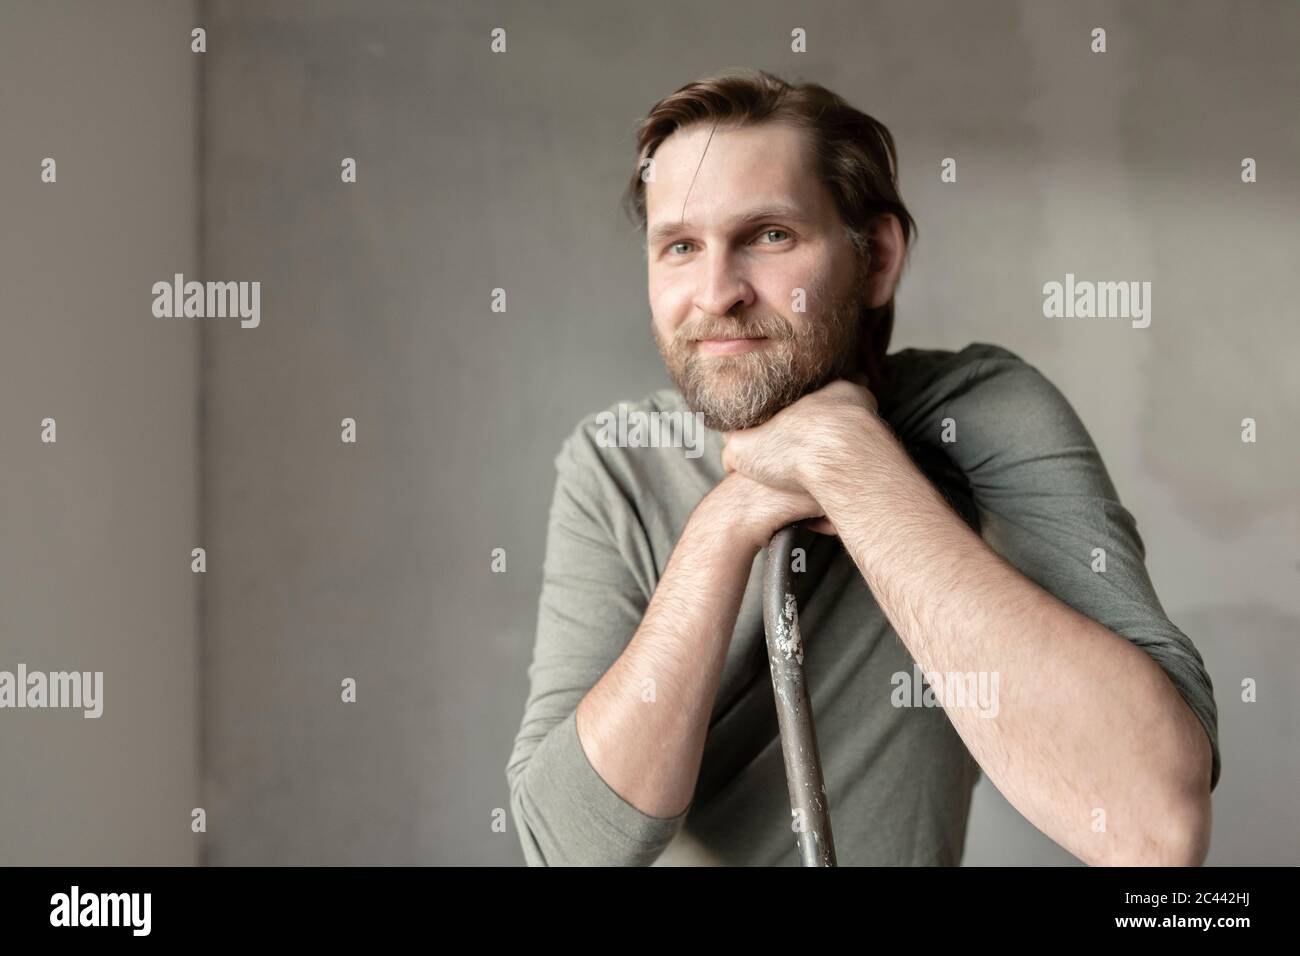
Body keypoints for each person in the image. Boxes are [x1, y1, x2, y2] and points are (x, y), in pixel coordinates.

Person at [505, 69, 1220, 866]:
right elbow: (565, 850)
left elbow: (1152, 823)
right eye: (680, 247)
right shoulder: (615, 466)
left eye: (769, 235)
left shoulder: (977, 415)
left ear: (875, 258)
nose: (717, 293)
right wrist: (728, 522)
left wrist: (848, 464)